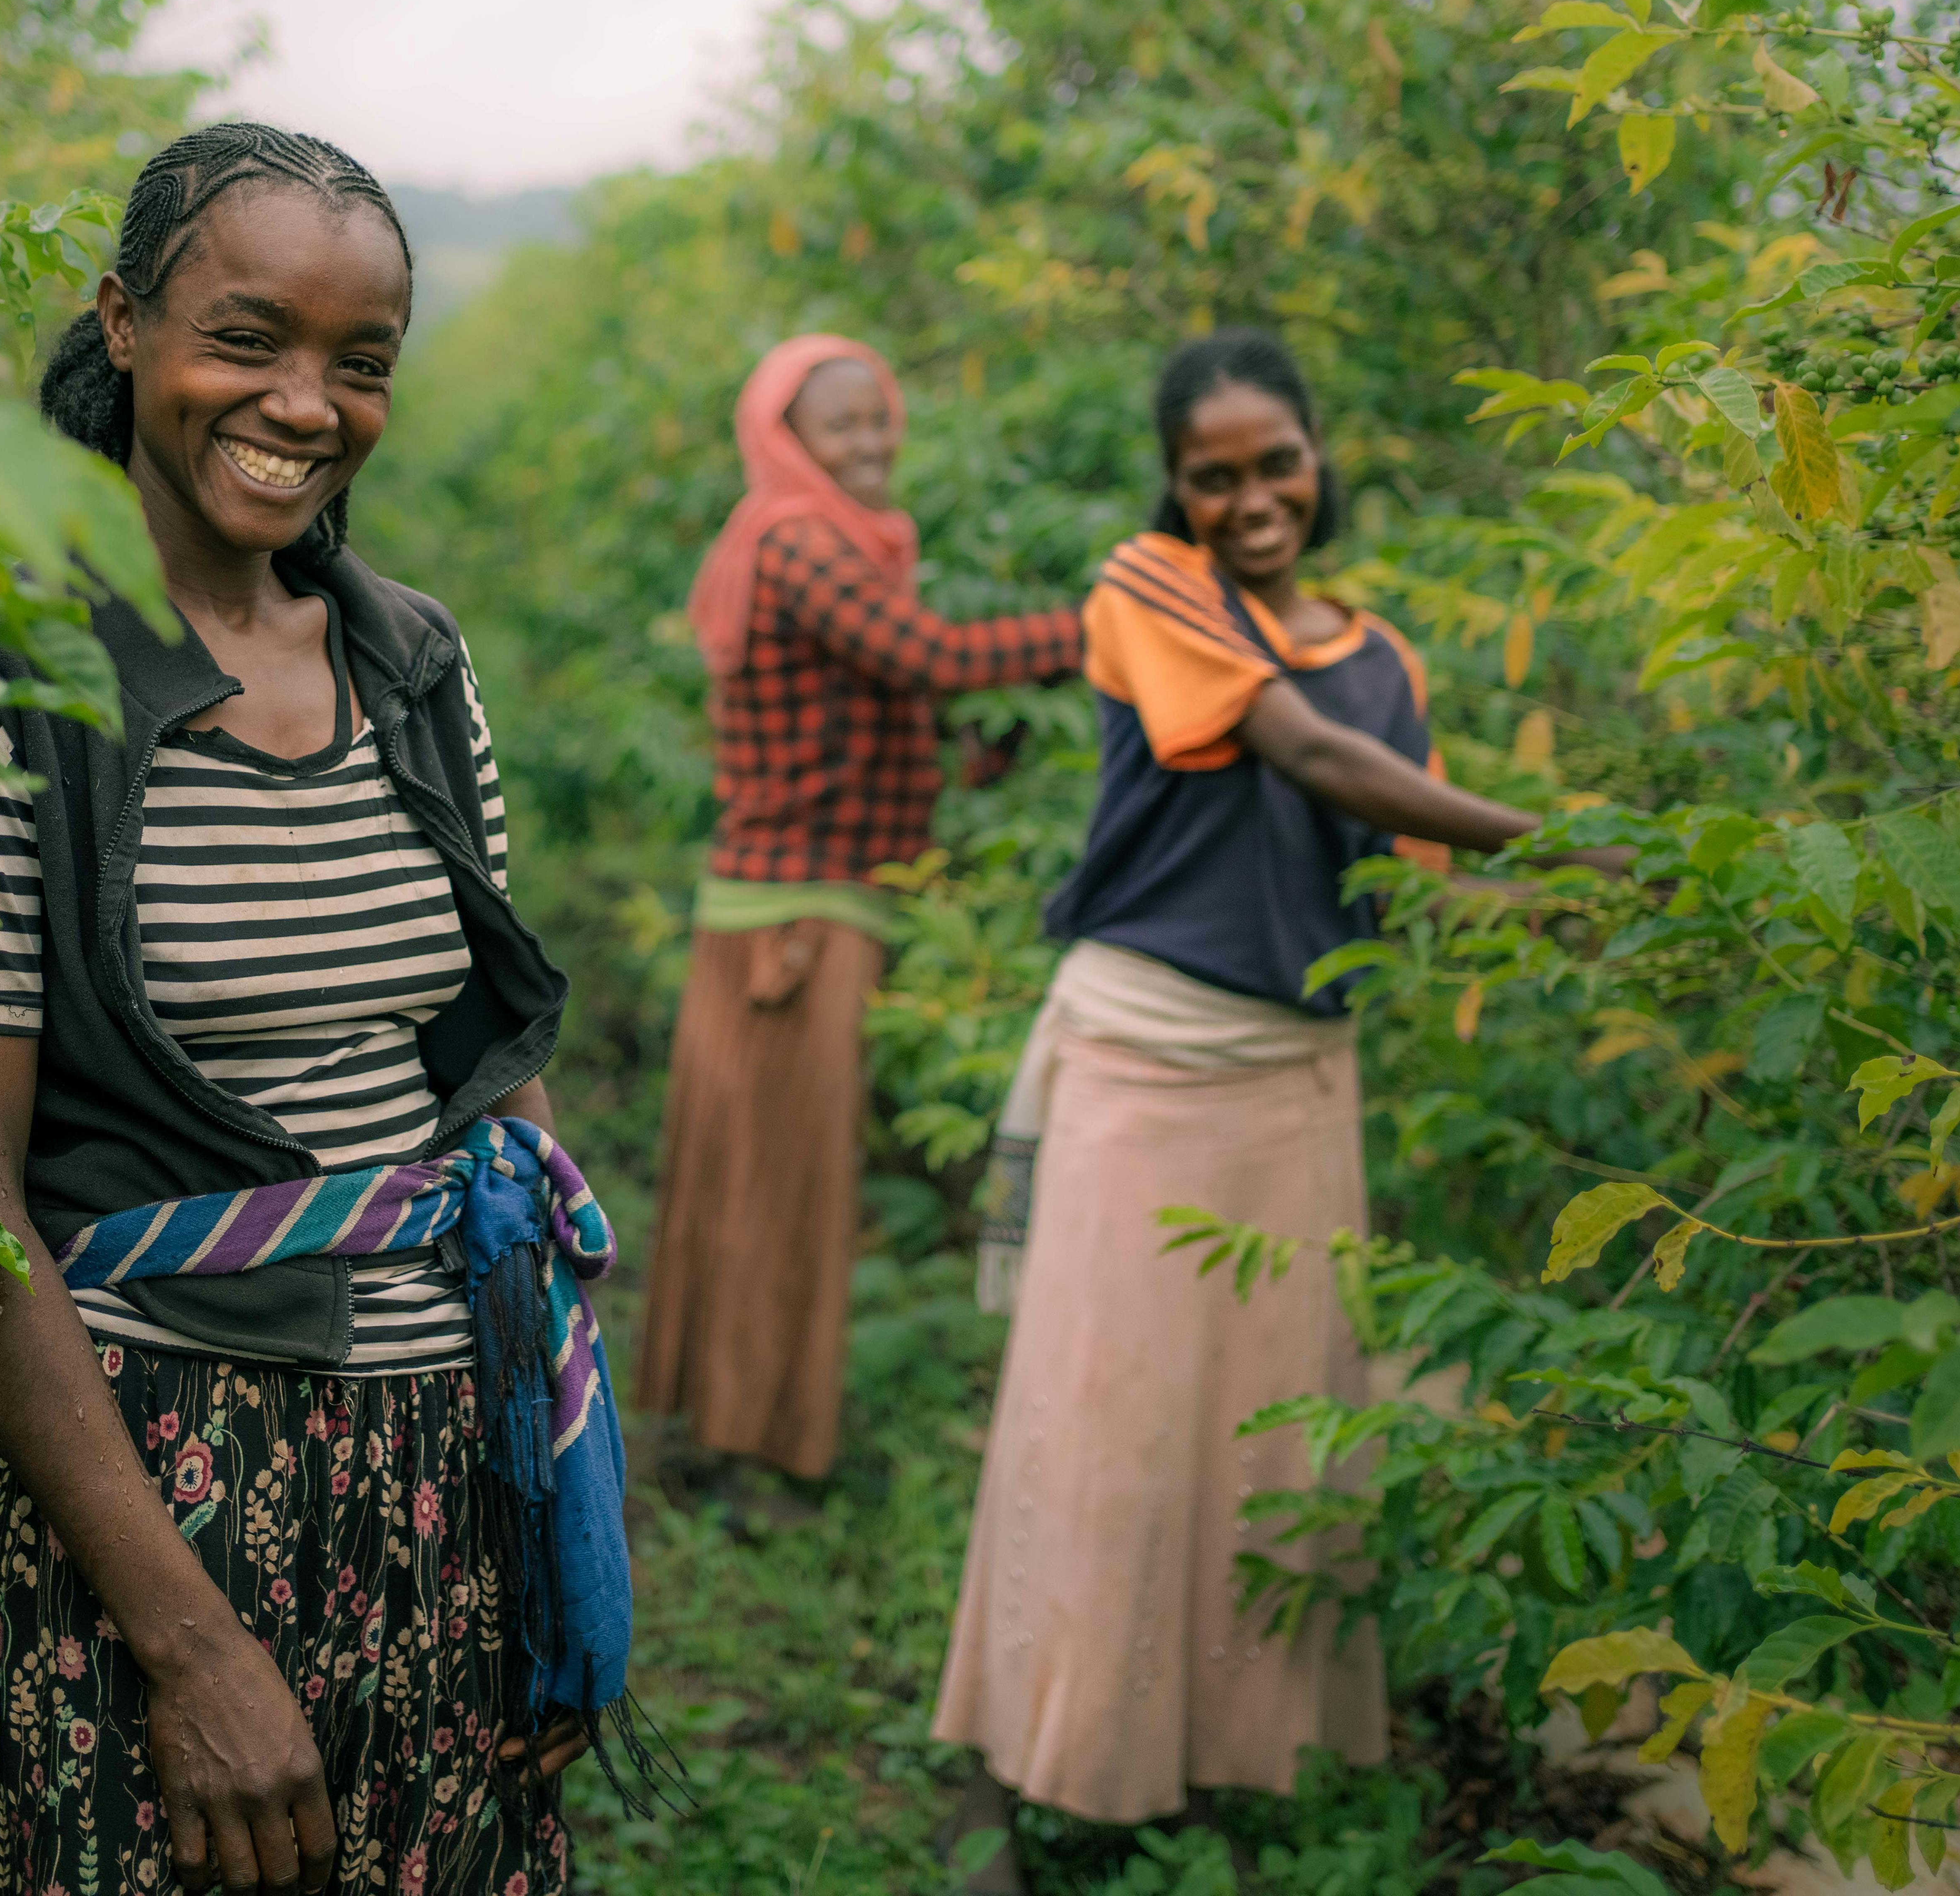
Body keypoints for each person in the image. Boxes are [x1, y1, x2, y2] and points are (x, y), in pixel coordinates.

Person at [0, 122, 630, 1896]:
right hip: (152, 1472)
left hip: (447, 1443)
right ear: (124, 323)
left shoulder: (414, 666)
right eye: (248, 338)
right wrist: (189, 1641)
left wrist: (556, 1508)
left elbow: (491, 1107)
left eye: (359, 364)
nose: (306, 403)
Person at [930, 330, 1552, 1892]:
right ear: (1178, 488)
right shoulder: (1147, 587)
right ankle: (1030, 1782)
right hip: (1145, 1058)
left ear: (1321, 456)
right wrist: (1556, 845)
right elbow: (1311, 756)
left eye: (1277, 461)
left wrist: (1583, 909)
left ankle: (1204, 1771)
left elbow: (1397, 874)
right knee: (1106, 1438)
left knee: (1275, 1444)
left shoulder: (1385, 653)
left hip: (1297, 1080)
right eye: (1217, 475)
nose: (1253, 496)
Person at [638, 334, 1086, 1484]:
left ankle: (730, 1430)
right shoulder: (796, 542)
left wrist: (993, 741)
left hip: (815, 904)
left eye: (878, 417)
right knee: (781, 1188)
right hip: (791, 919)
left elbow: (895, 713)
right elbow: (924, 657)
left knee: (772, 1178)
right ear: (786, 441)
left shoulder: (848, 547)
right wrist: (1100, 629)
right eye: (841, 425)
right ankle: (753, 1454)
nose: (870, 440)